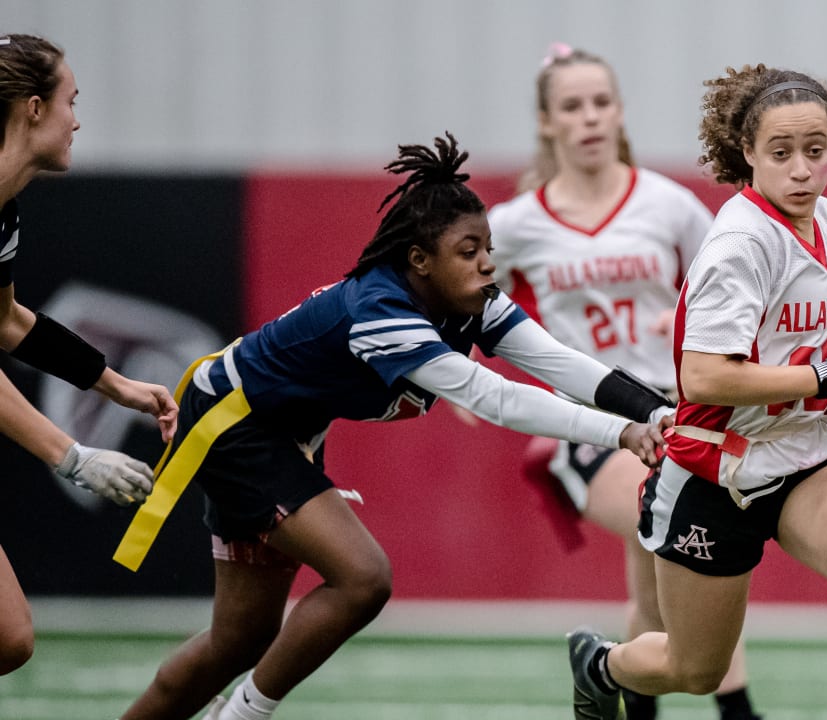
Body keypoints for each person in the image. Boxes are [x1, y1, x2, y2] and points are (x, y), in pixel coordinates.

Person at [115, 134, 672, 720]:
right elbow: (496, 397)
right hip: (238, 429)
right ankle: (241, 717)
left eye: (488, 246)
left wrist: (653, 411)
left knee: (238, 642)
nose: (487, 262)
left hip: (278, 430)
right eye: (467, 249)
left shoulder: (469, 298)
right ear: (419, 261)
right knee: (363, 578)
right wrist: (620, 433)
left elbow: (559, 362)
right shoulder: (381, 312)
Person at [565, 64, 827, 720]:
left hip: (810, 455)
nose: (802, 169)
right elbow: (704, 378)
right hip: (714, 469)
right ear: (748, 152)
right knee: (696, 671)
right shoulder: (739, 244)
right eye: (782, 153)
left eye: (817, 150)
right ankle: (601, 664)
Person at [487, 44, 761, 720]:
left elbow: (736, 288)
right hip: (590, 424)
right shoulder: (515, 223)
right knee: (676, 513)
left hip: (678, 412)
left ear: (620, 112)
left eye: (600, 103)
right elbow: (445, 295)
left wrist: (694, 317)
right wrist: (447, 375)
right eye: (572, 107)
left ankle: (622, 695)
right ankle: (740, 713)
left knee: (656, 585)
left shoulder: (666, 204)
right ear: (547, 122)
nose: (589, 118)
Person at [0, 32, 178, 676]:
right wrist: (71, 456)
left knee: (7, 637)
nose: (78, 118)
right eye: (71, 100)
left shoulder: (2, 212)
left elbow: (8, 322)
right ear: (33, 108)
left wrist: (116, 386)